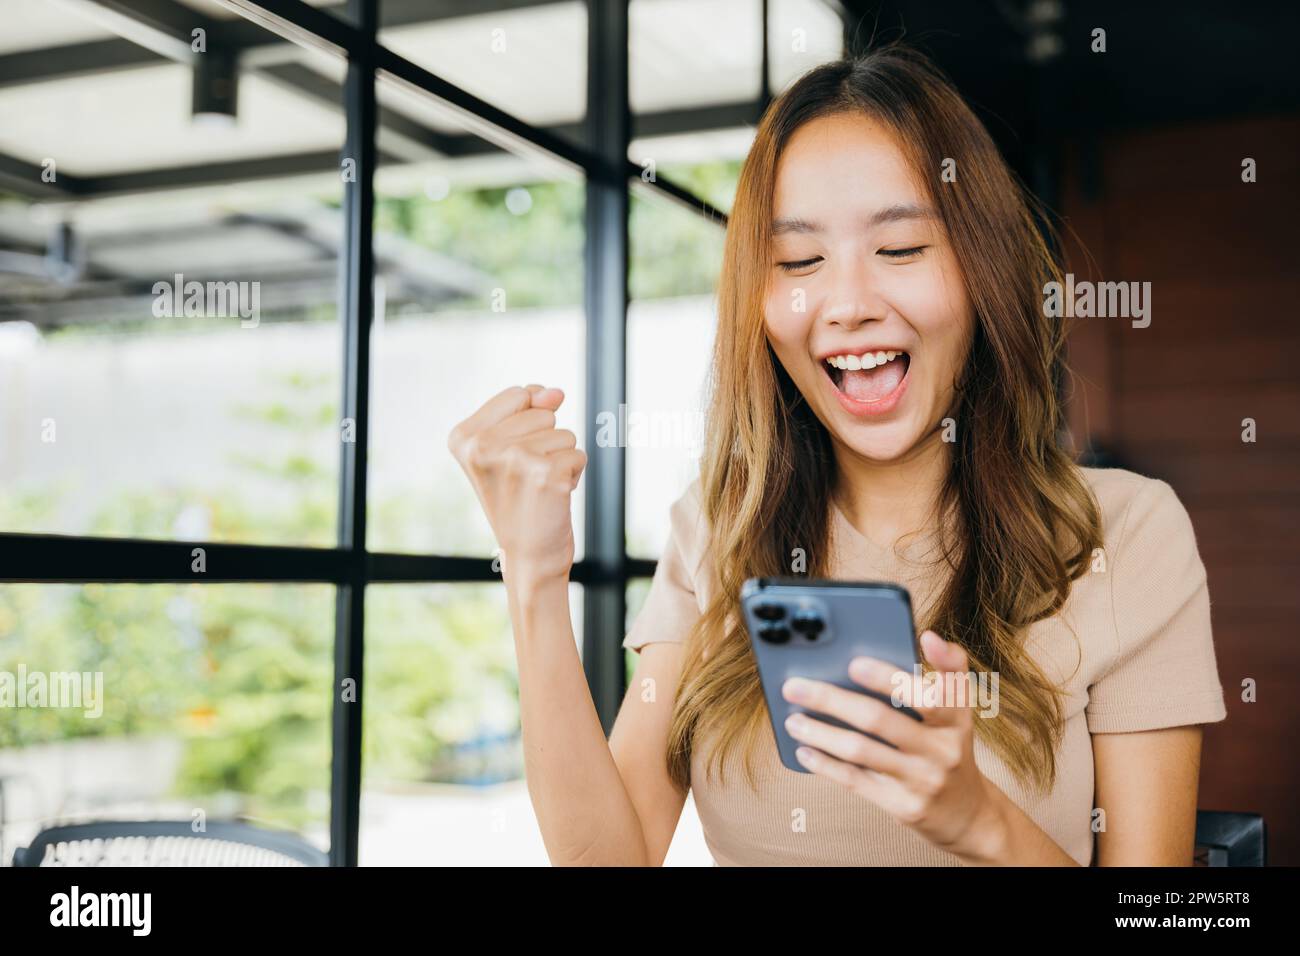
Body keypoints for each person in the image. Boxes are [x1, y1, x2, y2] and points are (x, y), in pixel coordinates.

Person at [448, 43, 1227, 866]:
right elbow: (608, 860)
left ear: (983, 274)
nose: (848, 305)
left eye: (900, 250)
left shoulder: (1128, 533)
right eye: (799, 261)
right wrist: (533, 575)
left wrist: (978, 821)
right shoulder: (715, 531)